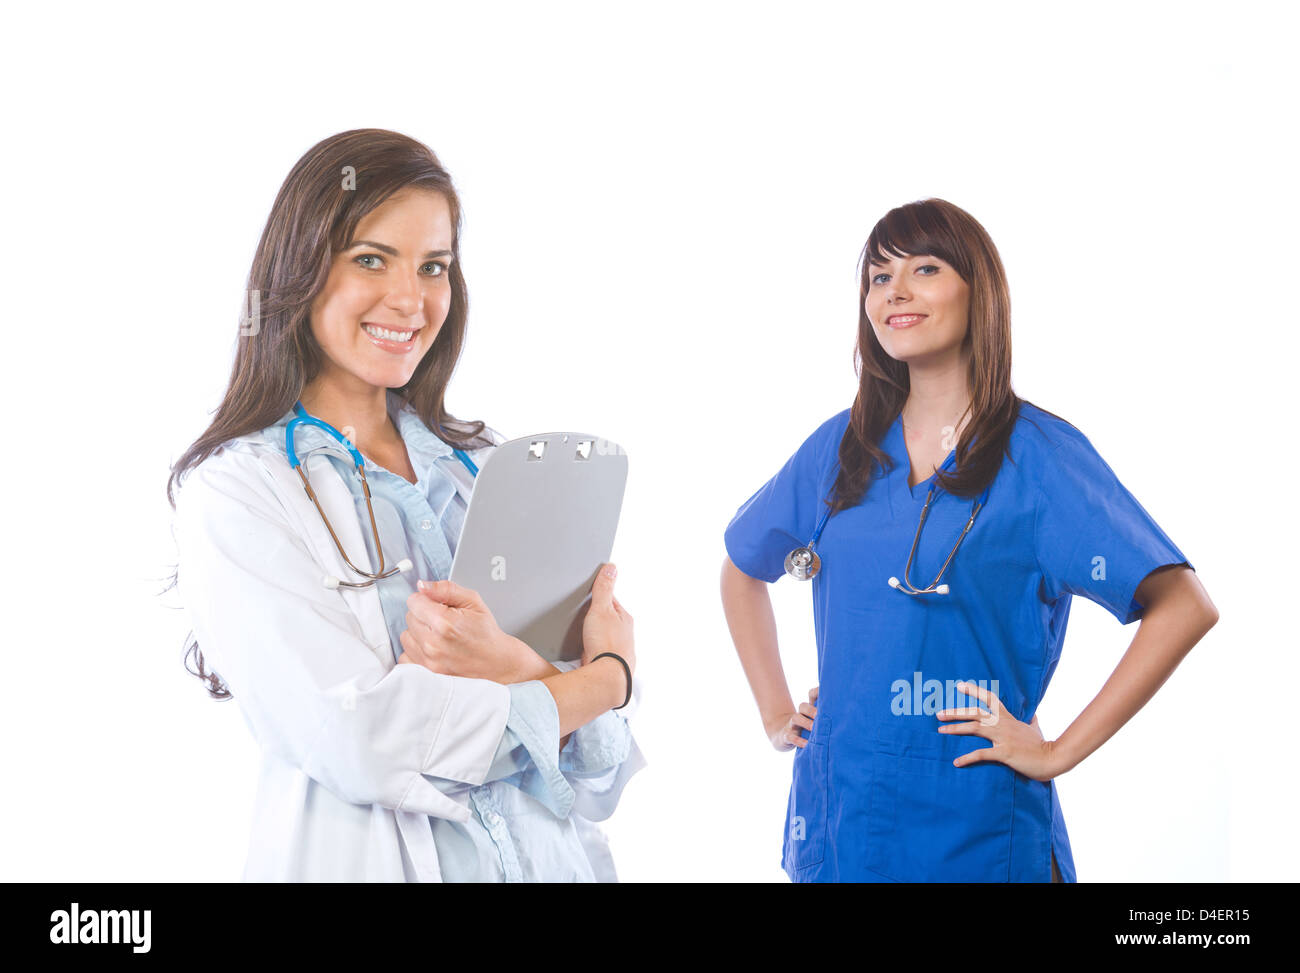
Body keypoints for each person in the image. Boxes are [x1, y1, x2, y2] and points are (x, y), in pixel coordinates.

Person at [165, 128, 644, 882]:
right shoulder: (238, 492)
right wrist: (604, 678)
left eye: (434, 267)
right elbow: (361, 737)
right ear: (301, 268)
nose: (410, 299)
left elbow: (599, 774)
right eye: (370, 259)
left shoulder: (492, 462)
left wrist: (524, 672)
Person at [719, 198, 1218, 883]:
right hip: (846, 821)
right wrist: (778, 712)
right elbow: (742, 567)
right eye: (877, 275)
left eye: (924, 267)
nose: (893, 290)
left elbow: (1184, 603)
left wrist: (1057, 750)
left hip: (977, 828)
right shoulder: (841, 449)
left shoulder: (1039, 457)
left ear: (977, 291)